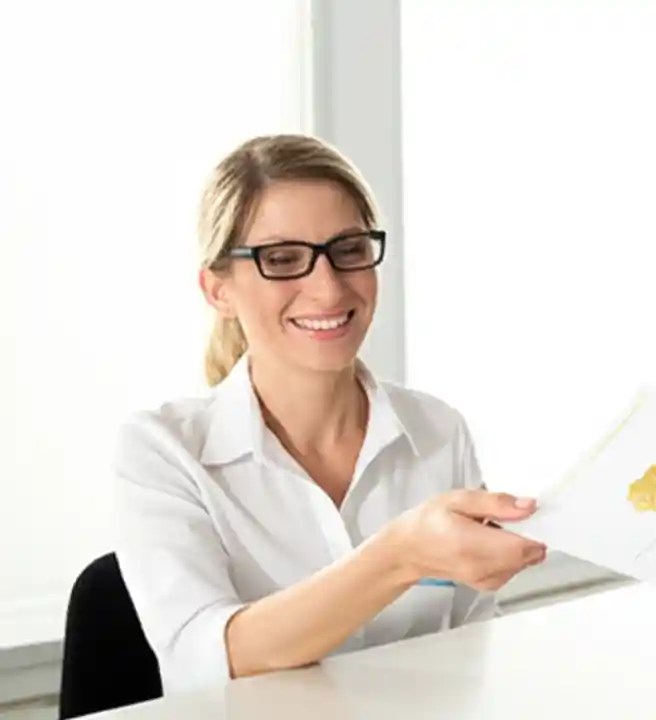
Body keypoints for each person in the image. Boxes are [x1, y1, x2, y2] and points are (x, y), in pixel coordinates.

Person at [112, 134, 547, 695]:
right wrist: (401, 556)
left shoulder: (438, 432)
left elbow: (470, 650)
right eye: (283, 259)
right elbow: (209, 660)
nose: (328, 287)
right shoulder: (163, 450)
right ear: (218, 290)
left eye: (349, 249)